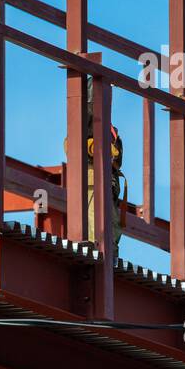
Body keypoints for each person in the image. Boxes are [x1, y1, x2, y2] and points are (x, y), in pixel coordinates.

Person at [64, 76, 125, 255]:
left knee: (111, 220)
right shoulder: (87, 120)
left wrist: (110, 151)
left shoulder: (108, 126)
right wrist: (98, 148)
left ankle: (109, 248)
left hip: (109, 181)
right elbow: (71, 145)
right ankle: (96, 246)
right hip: (93, 178)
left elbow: (116, 155)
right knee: (94, 215)